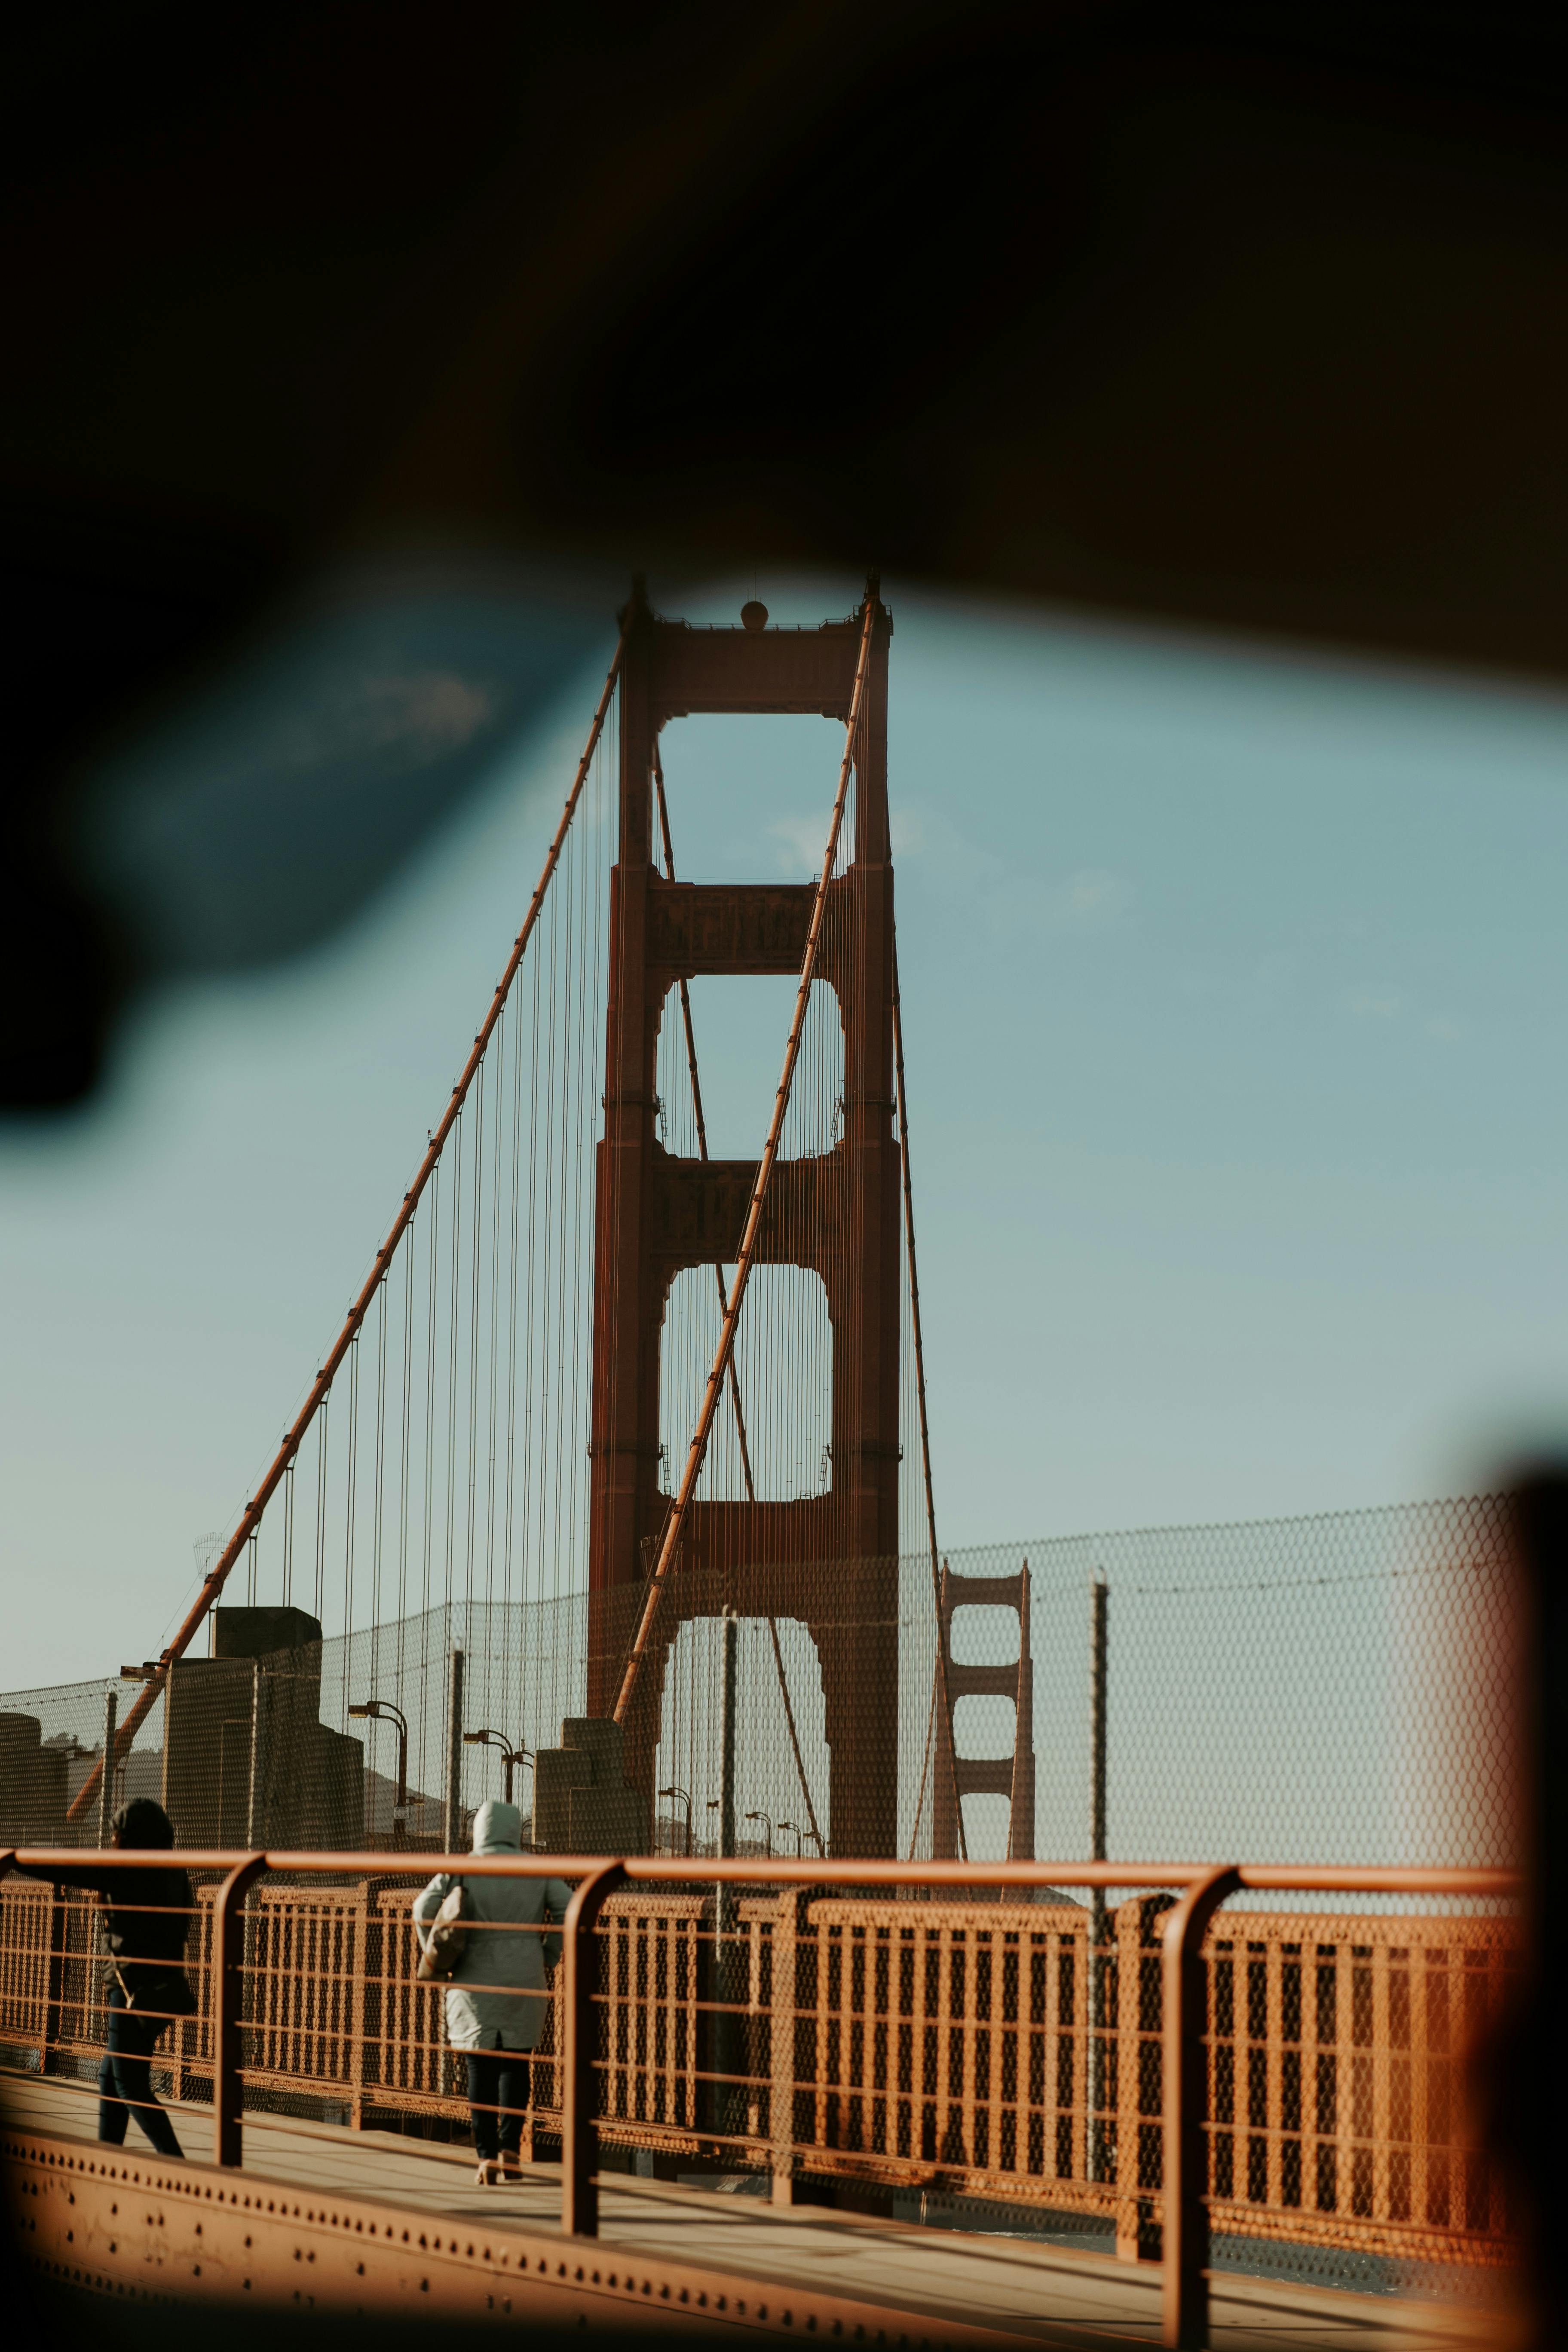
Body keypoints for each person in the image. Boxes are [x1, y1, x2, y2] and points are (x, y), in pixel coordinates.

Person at [19, 1796, 192, 2158]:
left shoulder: (128, 1868)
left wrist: (16, 1858)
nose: (113, 1841)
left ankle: (179, 2165)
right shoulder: (175, 1871)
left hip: (132, 1987)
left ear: (130, 1838)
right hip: (163, 1987)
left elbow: (69, 1870)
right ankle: (108, 2157)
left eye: (118, 1835)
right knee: (112, 2079)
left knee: (128, 2084)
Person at [413, 1799, 572, 2184]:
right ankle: (511, 2150)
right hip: (525, 1975)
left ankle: (486, 2157)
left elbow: (422, 1909)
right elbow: (570, 1907)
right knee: (516, 2065)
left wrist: (437, 1952)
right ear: (516, 1831)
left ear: (479, 1830)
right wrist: (548, 1952)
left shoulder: (462, 1867)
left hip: (473, 1977)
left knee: (479, 2068)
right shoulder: (537, 1868)